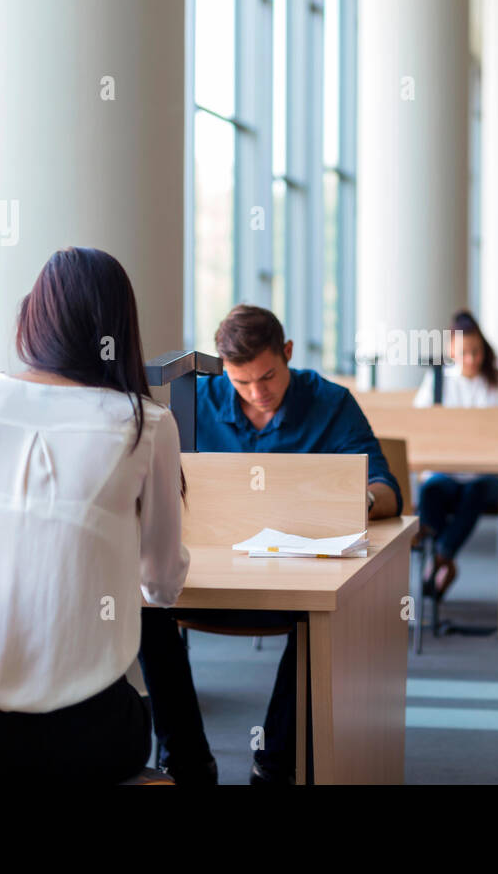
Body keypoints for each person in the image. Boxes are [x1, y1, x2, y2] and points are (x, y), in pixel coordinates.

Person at [0, 247, 190, 784]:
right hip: (85, 739)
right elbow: (159, 586)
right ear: (120, 330)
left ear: (31, 318)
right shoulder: (145, 423)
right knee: (142, 679)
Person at [138, 304, 401, 785]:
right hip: (211, 576)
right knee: (142, 608)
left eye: (268, 376)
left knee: (322, 616)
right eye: (242, 382)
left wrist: (352, 500)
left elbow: (387, 490)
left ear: (288, 353)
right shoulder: (196, 401)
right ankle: (189, 762)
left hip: (298, 584)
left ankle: (276, 765)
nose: (257, 394)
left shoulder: (331, 402)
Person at [412, 310, 498, 601]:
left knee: (475, 491)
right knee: (431, 491)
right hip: (445, 472)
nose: (471, 359)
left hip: (486, 475)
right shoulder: (437, 382)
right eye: (464, 353)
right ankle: (442, 559)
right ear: (451, 351)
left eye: (476, 352)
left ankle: (440, 559)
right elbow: (420, 427)